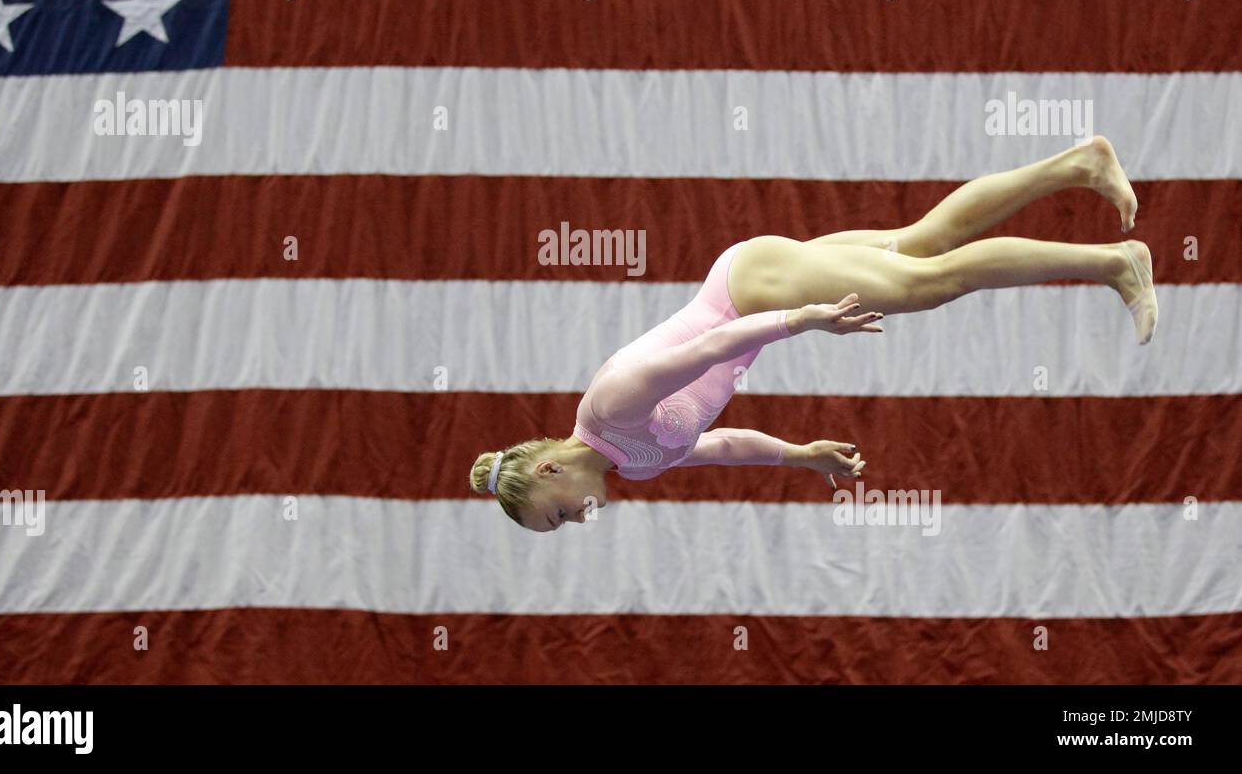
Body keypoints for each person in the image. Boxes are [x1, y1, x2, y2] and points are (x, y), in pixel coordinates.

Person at [469, 137, 1155, 533]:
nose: (578, 523)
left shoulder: (609, 407)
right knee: (922, 245)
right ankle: (1079, 165)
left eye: (558, 517)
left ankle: (1114, 263)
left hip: (752, 286)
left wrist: (801, 320)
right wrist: (802, 456)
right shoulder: (635, 464)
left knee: (929, 285)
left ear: (549, 470)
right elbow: (723, 445)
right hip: (763, 295)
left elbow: (708, 348)